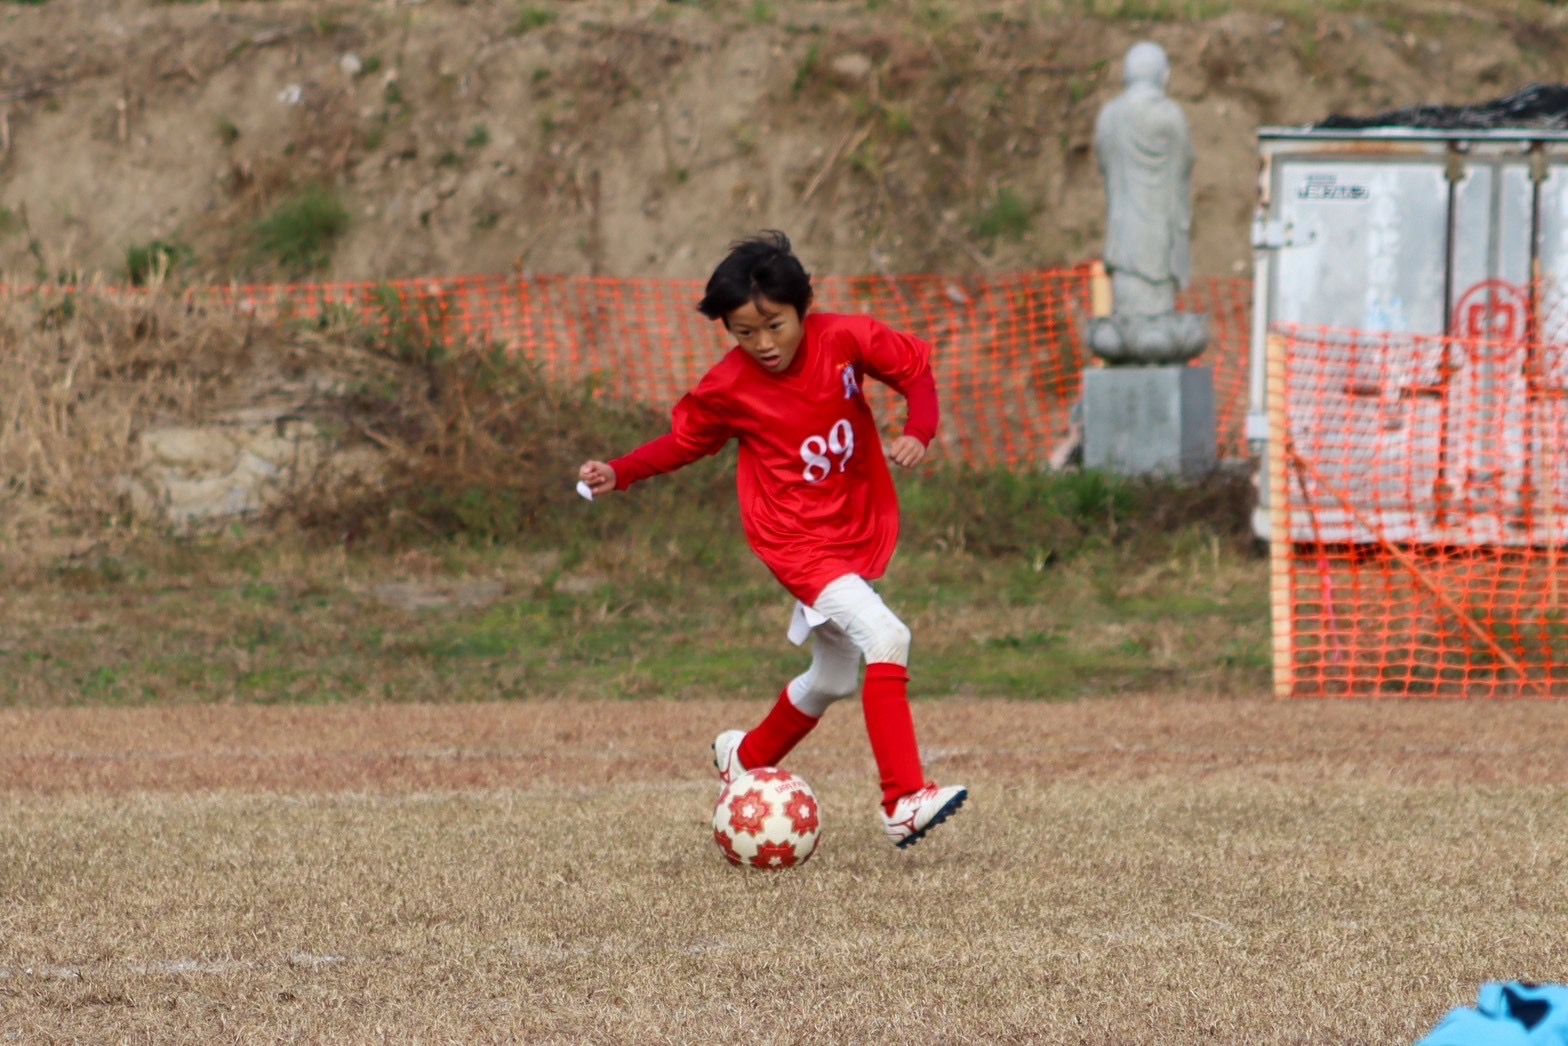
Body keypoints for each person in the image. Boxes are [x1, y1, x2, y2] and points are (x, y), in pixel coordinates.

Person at [576, 231, 966, 849]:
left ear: (802, 307)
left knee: (836, 677)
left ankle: (746, 755)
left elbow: (915, 373)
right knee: (888, 636)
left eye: (774, 326)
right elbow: (684, 443)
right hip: (793, 538)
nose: (762, 344)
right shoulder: (730, 386)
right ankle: (902, 801)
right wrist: (620, 471)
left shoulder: (845, 338)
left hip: (846, 525)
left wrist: (919, 429)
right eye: (743, 332)